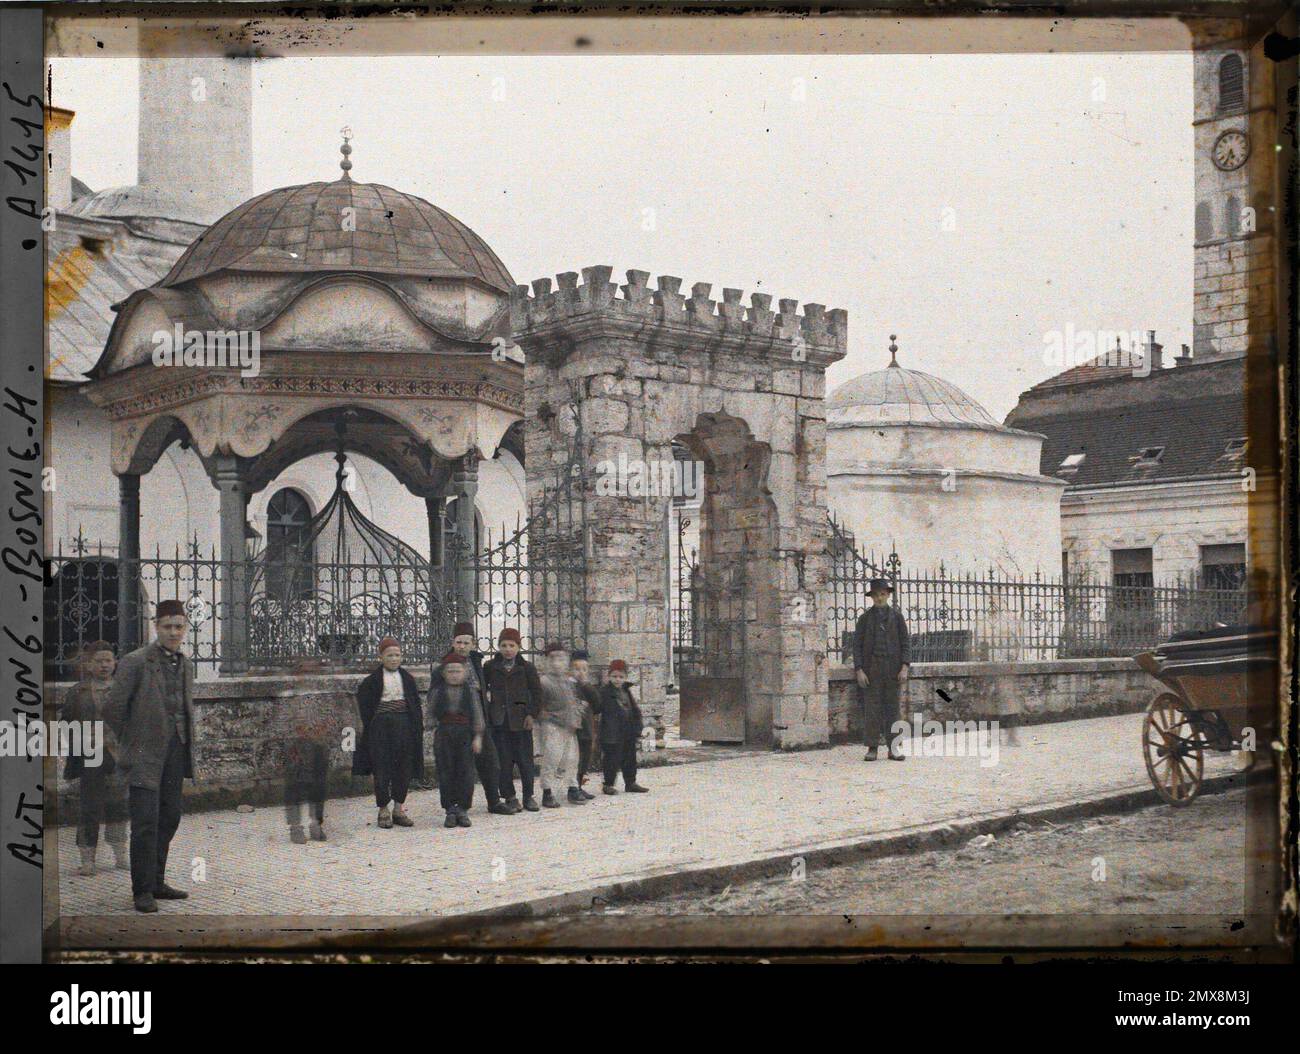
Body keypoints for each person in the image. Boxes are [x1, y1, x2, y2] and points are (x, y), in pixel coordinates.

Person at [105, 600, 196, 913]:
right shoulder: (136, 662)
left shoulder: (185, 663)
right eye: (167, 625)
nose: (173, 631)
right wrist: (129, 744)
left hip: (176, 751)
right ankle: (141, 891)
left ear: (185, 628)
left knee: (170, 815)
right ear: (156, 626)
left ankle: (157, 881)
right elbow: (113, 708)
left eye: (179, 626)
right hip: (144, 755)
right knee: (145, 821)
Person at [61, 641, 128, 875]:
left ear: (115, 662)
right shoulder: (77, 692)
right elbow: (66, 726)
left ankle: (120, 855)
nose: (104, 665)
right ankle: (88, 860)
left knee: (119, 805)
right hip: (90, 755)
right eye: (98, 661)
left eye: (108, 660)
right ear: (89, 665)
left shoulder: (124, 689)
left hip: (118, 754)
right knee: (89, 806)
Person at [432, 623, 512, 816]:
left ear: (473, 644)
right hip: (455, 725)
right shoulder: (443, 666)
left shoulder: (477, 662)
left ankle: (494, 801)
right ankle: (455, 807)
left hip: (479, 720)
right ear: (452, 642)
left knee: (491, 762)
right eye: (458, 642)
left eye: (466, 642)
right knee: (459, 769)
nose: (461, 646)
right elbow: (434, 699)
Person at [353, 637, 424, 830]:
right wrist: (373, 726)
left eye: (397, 655)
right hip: (381, 728)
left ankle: (399, 809)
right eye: (389, 655)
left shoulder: (408, 679)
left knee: (404, 767)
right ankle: (383, 809)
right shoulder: (372, 681)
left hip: (404, 726)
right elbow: (365, 706)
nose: (394, 659)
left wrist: (415, 728)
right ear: (381, 657)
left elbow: (415, 707)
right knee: (382, 767)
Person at [482, 627, 543, 813]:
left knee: (525, 761)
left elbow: (537, 693)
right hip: (500, 722)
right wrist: (489, 713)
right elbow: (483, 691)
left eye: (512, 645)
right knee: (504, 761)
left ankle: (528, 796)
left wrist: (531, 714)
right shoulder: (490, 667)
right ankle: (510, 797)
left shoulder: (527, 668)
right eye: (503, 645)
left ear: (519, 647)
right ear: (498, 646)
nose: (508, 649)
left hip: (521, 722)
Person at [853, 578, 911, 761]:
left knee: (893, 708)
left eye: (883, 594)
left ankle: (894, 749)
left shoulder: (897, 618)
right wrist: (859, 670)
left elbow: (906, 643)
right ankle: (872, 748)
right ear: (871, 597)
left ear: (888, 595)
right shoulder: (864, 619)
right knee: (872, 708)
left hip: (893, 670)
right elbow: (856, 646)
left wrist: (905, 667)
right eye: (876, 595)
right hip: (872, 670)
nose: (879, 598)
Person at [431, 653, 486, 828]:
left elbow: (477, 715)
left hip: (465, 735)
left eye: (458, 671)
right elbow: (430, 714)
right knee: (446, 771)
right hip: (444, 734)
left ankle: (463, 808)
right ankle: (450, 809)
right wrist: (432, 731)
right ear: (444, 673)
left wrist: (477, 736)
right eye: (450, 671)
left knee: (466, 772)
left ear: (465, 673)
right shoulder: (438, 692)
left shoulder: (470, 692)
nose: (454, 674)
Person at [535, 643, 586, 807]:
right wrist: (548, 720)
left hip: (569, 727)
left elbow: (573, 701)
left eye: (561, 658)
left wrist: (576, 715)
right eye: (553, 658)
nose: (557, 662)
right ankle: (547, 792)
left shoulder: (569, 681)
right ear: (547, 661)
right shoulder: (543, 681)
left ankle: (573, 788)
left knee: (572, 759)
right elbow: (540, 708)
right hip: (553, 726)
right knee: (551, 759)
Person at [596, 660, 648, 794]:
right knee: (611, 759)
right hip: (611, 731)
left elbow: (634, 709)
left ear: (625, 678)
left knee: (630, 757)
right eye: (614, 676)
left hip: (627, 730)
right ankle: (608, 784)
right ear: (609, 676)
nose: (617, 680)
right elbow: (598, 708)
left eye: (620, 677)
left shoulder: (626, 691)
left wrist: (638, 726)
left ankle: (630, 782)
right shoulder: (604, 692)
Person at [569, 650, 600, 800]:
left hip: (586, 729)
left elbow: (598, 704)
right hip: (573, 730)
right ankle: (572, 788)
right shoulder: (568, 687)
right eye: (576, 669)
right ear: (570, 670)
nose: (580, 672)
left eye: (584, 669)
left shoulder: (588, 687)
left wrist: (586, 685)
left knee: (585, 758)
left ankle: (579, 786)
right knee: (574, 759)